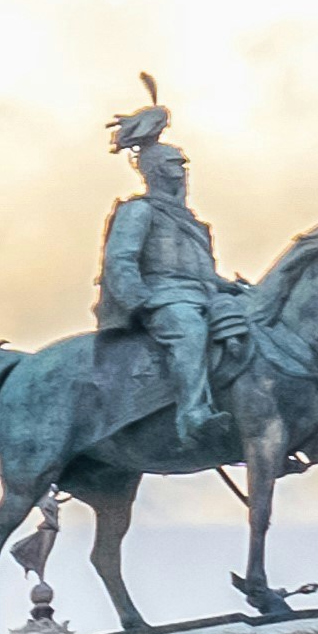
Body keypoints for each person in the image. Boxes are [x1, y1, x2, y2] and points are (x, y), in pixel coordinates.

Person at [96, 86, 258, 469]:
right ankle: (193, 414)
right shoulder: (139, 212)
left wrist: (232, 288)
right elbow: (120, 260)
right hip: (163, 298)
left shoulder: (195, 224)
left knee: (256, 324)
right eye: (174, 165)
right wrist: (139, 299)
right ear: (155, 170)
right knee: (189, 331)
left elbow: (204, 274)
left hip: (203, 295)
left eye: (183, 165)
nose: (182, 172)